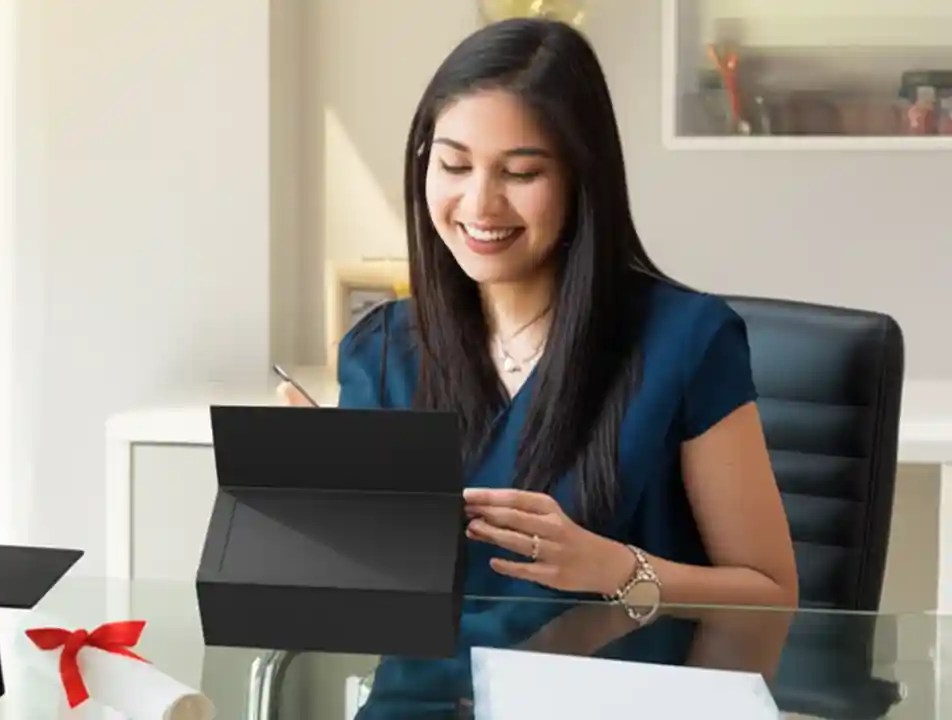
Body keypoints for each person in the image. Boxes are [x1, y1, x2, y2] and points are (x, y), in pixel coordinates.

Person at [279, 18, 797, 614]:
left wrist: (619, 570)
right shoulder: (382, 349)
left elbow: (772, 595)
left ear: (582, 179)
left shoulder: (687, 342)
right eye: (453, 166)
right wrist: (305, 502)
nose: (479, 204)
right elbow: (365, 603)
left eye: (521, 173)